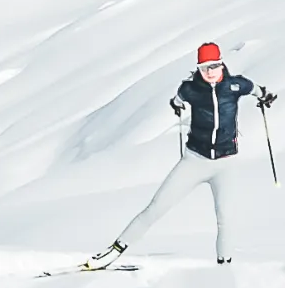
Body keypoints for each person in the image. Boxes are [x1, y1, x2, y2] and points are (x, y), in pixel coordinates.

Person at [86, 43, 271, 268]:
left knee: (226, 220)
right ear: (198, 69)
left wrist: (265, 96)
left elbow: (257, 89)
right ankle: (113, 251)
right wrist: (176, 106)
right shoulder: (190, 89)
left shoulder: (236, 85)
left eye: (214, 66)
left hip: (226, 163)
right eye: (204, 68)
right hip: (194, 161)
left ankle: (225, 267)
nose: (210, 72)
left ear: (222, 63)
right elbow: (177, 100)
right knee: (156, 207)